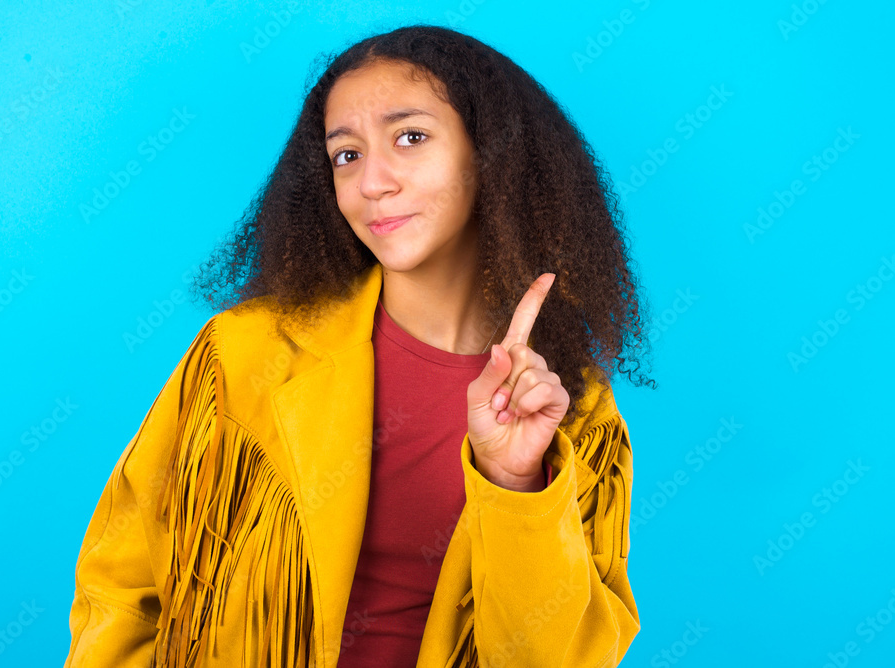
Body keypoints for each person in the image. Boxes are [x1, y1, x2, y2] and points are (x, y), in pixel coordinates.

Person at [63, 24, 655, 668]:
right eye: (346, 154)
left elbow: (559, 657)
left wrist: (515, 482)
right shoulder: (245, 353)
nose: (372, 182)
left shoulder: (570, 408)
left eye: (410, 138)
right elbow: (121, 586)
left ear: (491, 155)